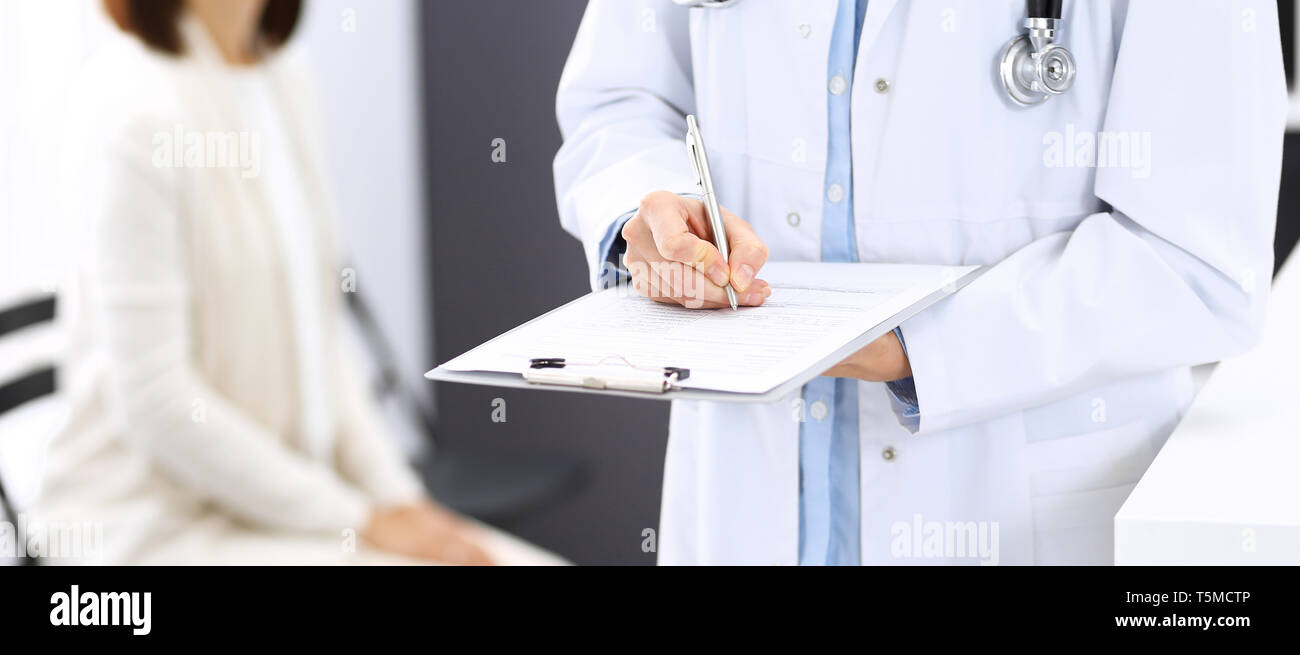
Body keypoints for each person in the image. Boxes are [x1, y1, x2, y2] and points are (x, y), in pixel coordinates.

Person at [554, 0, 1286, 565]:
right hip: (745, 503)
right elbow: (619, 100)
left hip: (1014, 512)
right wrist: (651, 214)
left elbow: (1198, 258)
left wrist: (917, 346)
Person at [34, 0, 563, 565]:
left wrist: (402, 501)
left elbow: (322, 336)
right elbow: (156, 403)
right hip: (158, 525)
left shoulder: (284, 77)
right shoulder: (131, 106)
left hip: (287, 505)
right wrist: (360, 518)